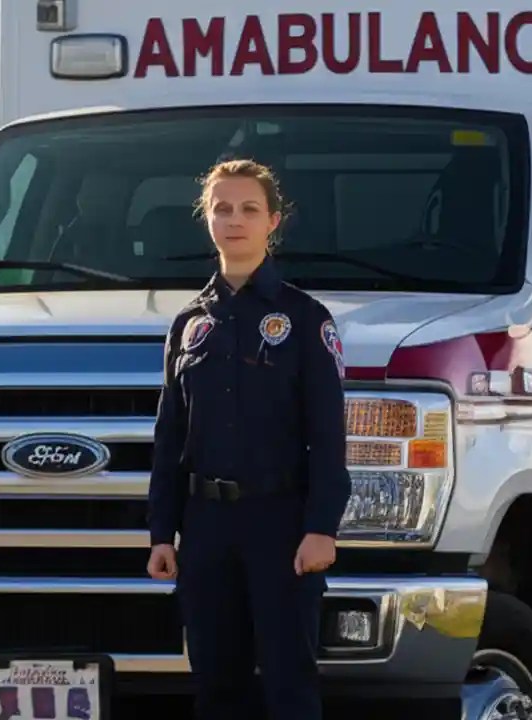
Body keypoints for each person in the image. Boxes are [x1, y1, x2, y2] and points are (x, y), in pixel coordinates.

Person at [146, 158, 352, 720]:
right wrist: (162, 532)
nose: (233, 220)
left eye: (248, 209)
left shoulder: (305, 319)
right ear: (207, 220)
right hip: (206, 527)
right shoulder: (188, 324)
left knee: (289, 687)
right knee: (217, 687)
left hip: (281, 524)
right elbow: (171, 436)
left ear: (272, 222)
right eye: (221, 208)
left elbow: (329, 436)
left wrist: (321, 528)